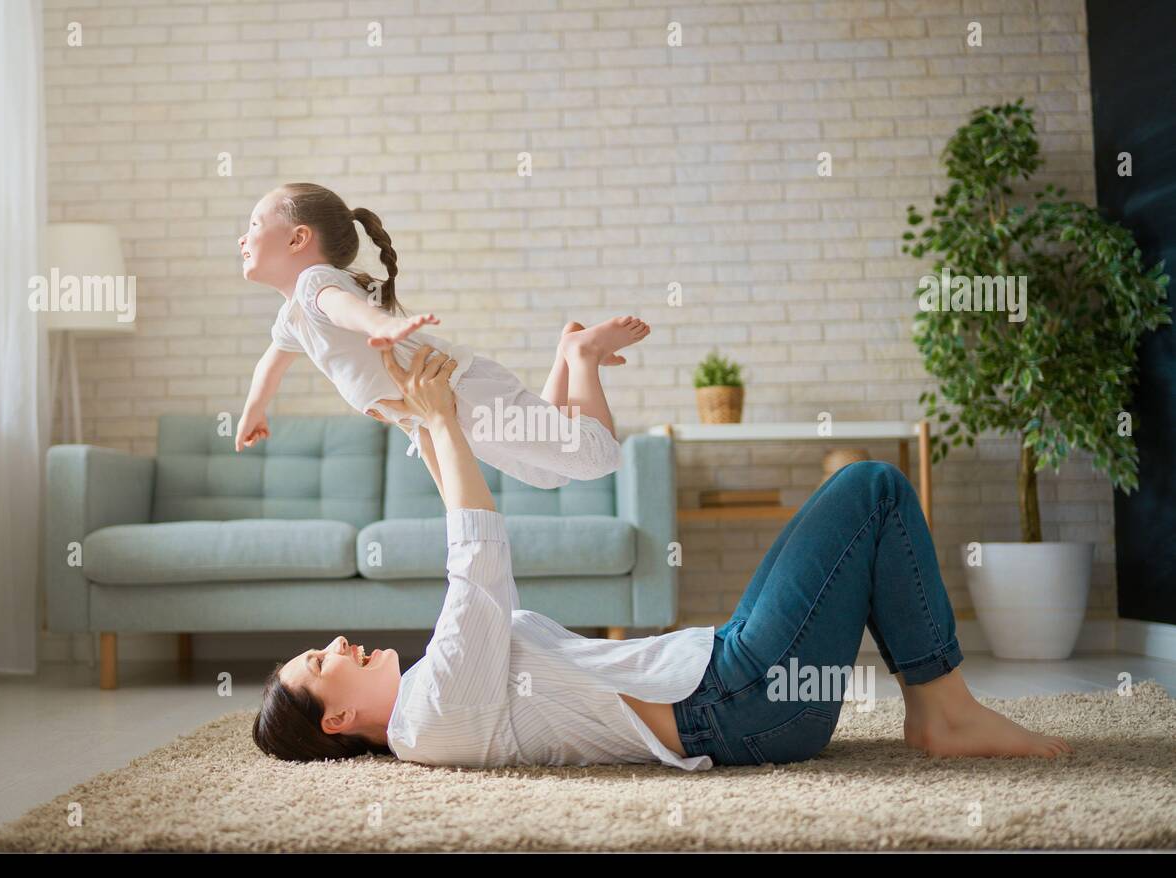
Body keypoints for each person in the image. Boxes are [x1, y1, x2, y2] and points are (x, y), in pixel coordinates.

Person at [252, 345, 1074, 768]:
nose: (338, 645)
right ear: (335, 718)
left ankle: (937, 708)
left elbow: (475, 571)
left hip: (731, 675)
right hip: (745, 701)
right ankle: (943, 710)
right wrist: (442, 424)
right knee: (870, 488)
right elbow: (477, 565)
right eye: (322, 663)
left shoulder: (438, 695)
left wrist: (424, 423)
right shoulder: (429, 717)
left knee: (854, 504)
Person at [234, 182, 649, 490]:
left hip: (463, 390)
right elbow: (272, 361)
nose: (243, 237)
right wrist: (255, 408)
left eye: (253, 224)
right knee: (547, 476)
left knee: (597, 457)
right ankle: (566, 351)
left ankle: (583, 353)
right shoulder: (292, 315)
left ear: (297, 238)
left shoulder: (314, 283)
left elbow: (343, 309)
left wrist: (382, 326)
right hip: (442, 408)